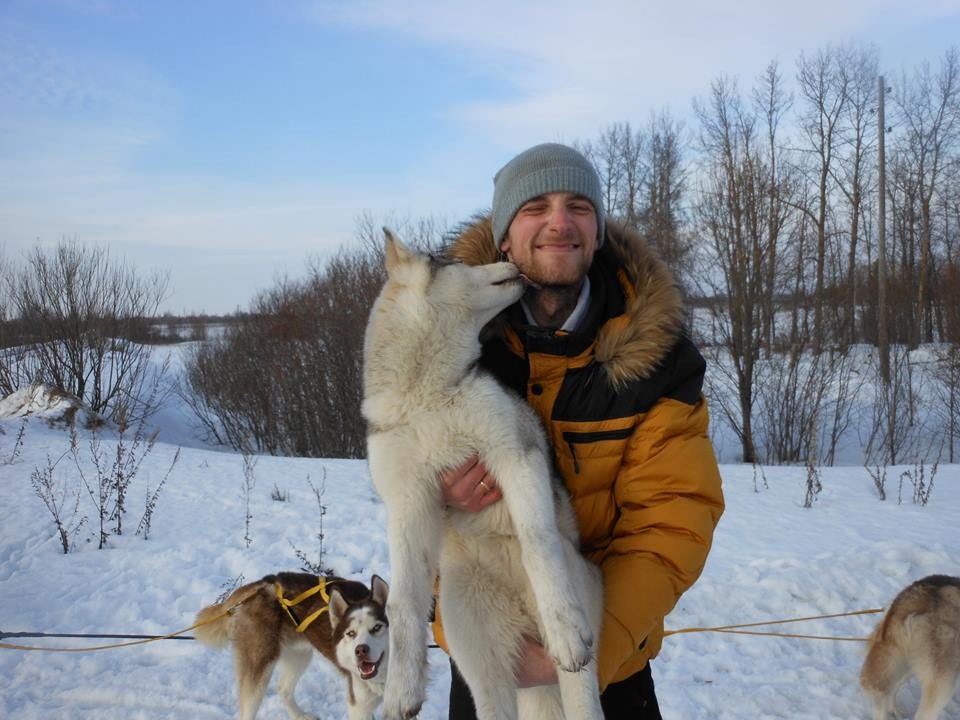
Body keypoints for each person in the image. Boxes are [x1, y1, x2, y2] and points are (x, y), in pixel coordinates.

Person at [433, 143, 725, 719]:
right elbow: (402, 477)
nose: (559, 222)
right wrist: (434, 494)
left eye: (578, 206)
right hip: (489, 660)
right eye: (535, 207)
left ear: (595, 232)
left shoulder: (660, 361)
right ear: (504, 238)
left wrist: (584, 656)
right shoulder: (450, 351)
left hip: (607, 662)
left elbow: (671, 523)